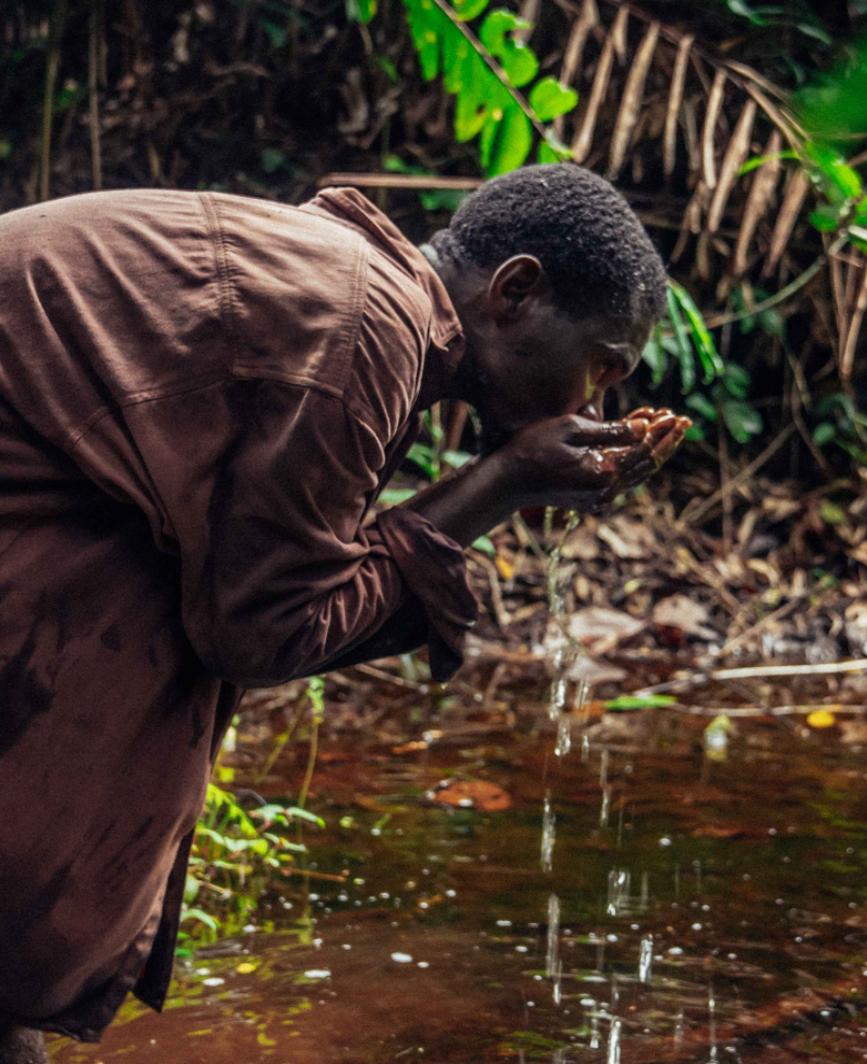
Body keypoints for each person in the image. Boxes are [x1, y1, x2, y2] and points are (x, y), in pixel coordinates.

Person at [0, 163, 687, 1060]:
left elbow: (250, 589)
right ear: (515, 291)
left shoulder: (350, 287)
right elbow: (263, 632)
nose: (593, 404)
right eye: (601, 368)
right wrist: (506, 480)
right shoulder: (365, 329)